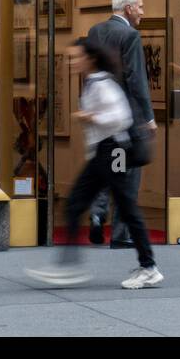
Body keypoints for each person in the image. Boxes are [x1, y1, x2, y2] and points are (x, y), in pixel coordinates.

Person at [26, 38, 162, 289]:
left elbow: (121, 118)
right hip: (106, 153)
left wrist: (91, 116)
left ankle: (147, 267)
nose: (72, 62)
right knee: (79, 205)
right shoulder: (93, 82)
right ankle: (71, 266)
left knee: (119, 207)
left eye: (76, 57)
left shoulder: (102, 84)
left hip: (113, 152)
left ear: (90, 58)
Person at [87, 0, 156, 248]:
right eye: (140, 6)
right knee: (128, 174)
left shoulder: (96, 31)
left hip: (102, 116)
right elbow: (137, 80)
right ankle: (120, 234)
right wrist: (148, 117)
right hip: (126, 118)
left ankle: (97, 213)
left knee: (109, 167)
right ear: (127, 8)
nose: (142, 11)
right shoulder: (130, 35)